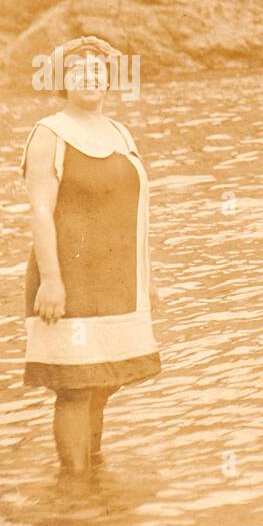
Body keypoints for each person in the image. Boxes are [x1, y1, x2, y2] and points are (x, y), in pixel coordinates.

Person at [22, 35, 160, 473]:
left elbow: (136, 212)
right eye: (78, 71)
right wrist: (51, 281)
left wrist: (147, 278)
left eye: (97, 70)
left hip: (117, 277)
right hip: (69, 278)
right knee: (76, 386)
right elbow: (40, 211)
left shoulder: (120, 132)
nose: (90, 77)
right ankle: (74, 486)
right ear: (61, 80)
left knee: (104, 381)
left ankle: (93, 474)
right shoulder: (49, 133)